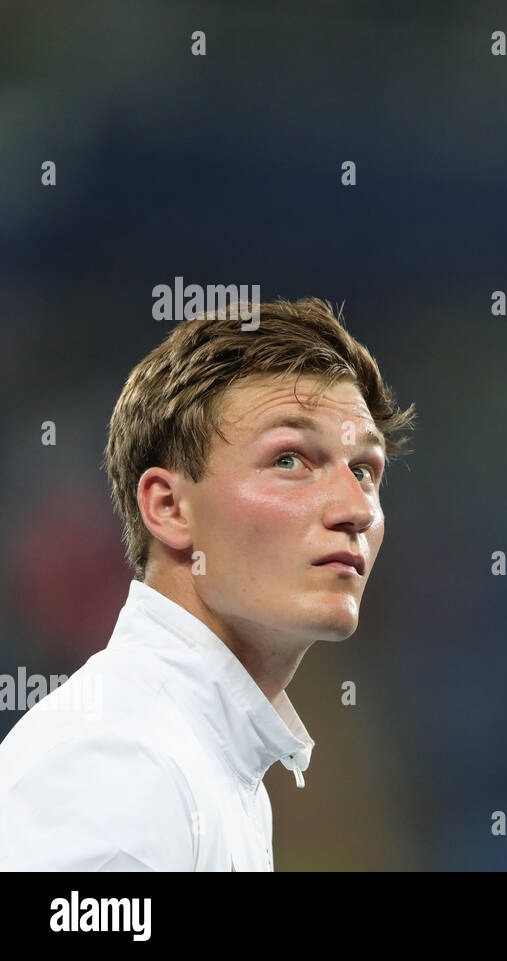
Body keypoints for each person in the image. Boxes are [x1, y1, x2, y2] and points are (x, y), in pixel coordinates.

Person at [0, 298, 414, 870]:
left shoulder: (205, 762)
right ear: (169, 508)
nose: (355, 510)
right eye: (290, 460)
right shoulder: (121, 760)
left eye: (364, 470)